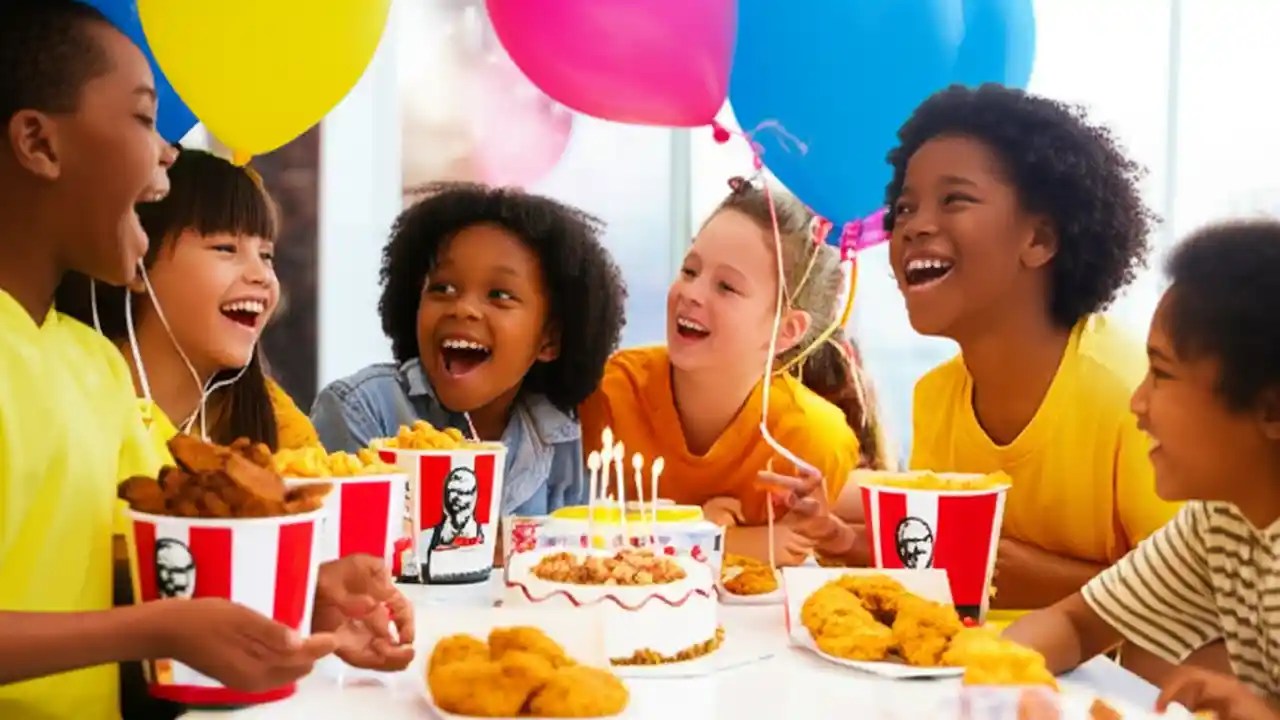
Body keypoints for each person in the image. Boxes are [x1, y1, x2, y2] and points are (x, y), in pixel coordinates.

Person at [0, 4, 410, 719]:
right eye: (141, 119)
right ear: (39, 142)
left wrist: (306, 591)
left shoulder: (92, 364)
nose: (167, 153)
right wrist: (156, 628)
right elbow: (147, 613)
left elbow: (140, 554)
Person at [775, 85, 1176, 602]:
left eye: (955, 200)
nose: (914, 227)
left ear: (1039, 240)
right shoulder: (935, 397)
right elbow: (932, 562)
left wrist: (1008, 564)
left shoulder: (1131, 395)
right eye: (904, 208)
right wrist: (842, 538)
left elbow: (1186, 603)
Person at [1004, 222, 1280, 720]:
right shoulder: (1222, 519)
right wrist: (982, 671)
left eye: (1163, 373)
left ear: (1272, 411)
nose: (1138, 402)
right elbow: (1078, 623)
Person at [578, 177, 890, 565]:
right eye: (690, 270)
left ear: (786, 330)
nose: (690, 293)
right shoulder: (608, 393)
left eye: (726, 286)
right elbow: (560, 530)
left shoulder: (810, 440)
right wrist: (717, 538)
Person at [311, 182, 627, 517]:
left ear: (549, 340)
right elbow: (353, 551)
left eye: (499, 295)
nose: (463, 309)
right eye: (443, 288)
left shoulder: (563, 439)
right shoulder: (363, 411)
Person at [56, 147, 320, 453]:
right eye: (225, 248)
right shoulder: (59, 392)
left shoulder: (279, 428)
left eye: (266, 255)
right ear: (137, 261)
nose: (261, 275)